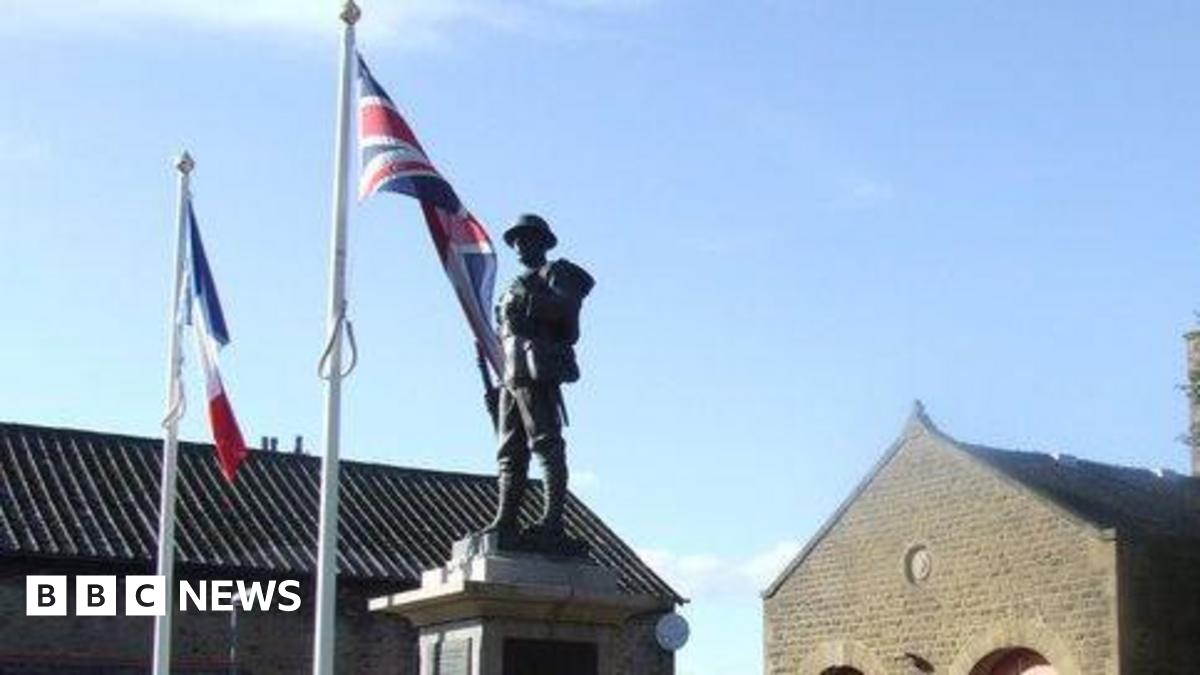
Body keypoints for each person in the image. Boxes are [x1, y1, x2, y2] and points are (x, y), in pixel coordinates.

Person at [484, 214, 594, 545]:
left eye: (527, 238)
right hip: (508, 374)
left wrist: (527, 306)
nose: (520, 245)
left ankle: (553, 520)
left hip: (536, 369)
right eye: (516, 240)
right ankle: (506, 518)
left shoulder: (557, 273)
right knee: (509, 450)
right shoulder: (507, 290)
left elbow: (567, 308)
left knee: (546, 443)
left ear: (543, 243)